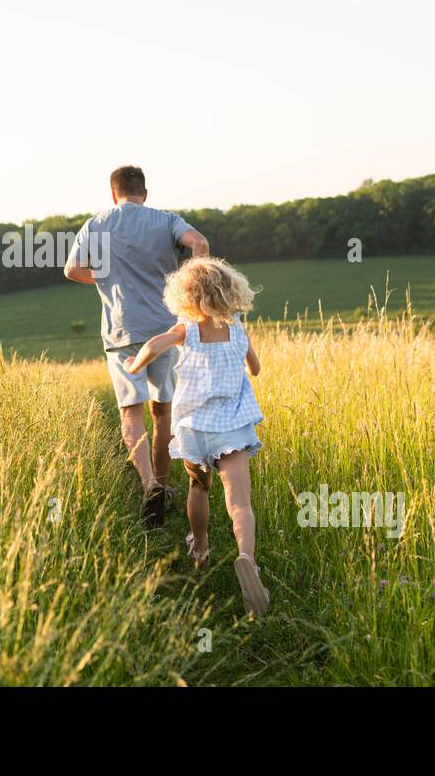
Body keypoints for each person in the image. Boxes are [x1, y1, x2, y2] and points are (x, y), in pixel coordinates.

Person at [64, 165, 209, 526]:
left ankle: (148, 486)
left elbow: (71, 269)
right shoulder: (165, 220)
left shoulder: (95, 224)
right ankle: (163, 482)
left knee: (131, 410)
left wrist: (106, 276)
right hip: (166, 328)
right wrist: (194, 287)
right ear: (144, 192)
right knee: (163, 409)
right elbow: (201, 244)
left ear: (114, 194)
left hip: (121, 330)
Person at [125, 256, 269, 617]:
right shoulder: (237, 330)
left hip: (194, 430)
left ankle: (201, 550)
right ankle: (247, 560)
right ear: (229, 291)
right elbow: (256, 368)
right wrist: (242, 360)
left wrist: (135, 365)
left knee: (199, 488)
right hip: (232, 428)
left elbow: (154, 345)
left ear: (186, 296)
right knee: (239, 503)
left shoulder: (186, 330)